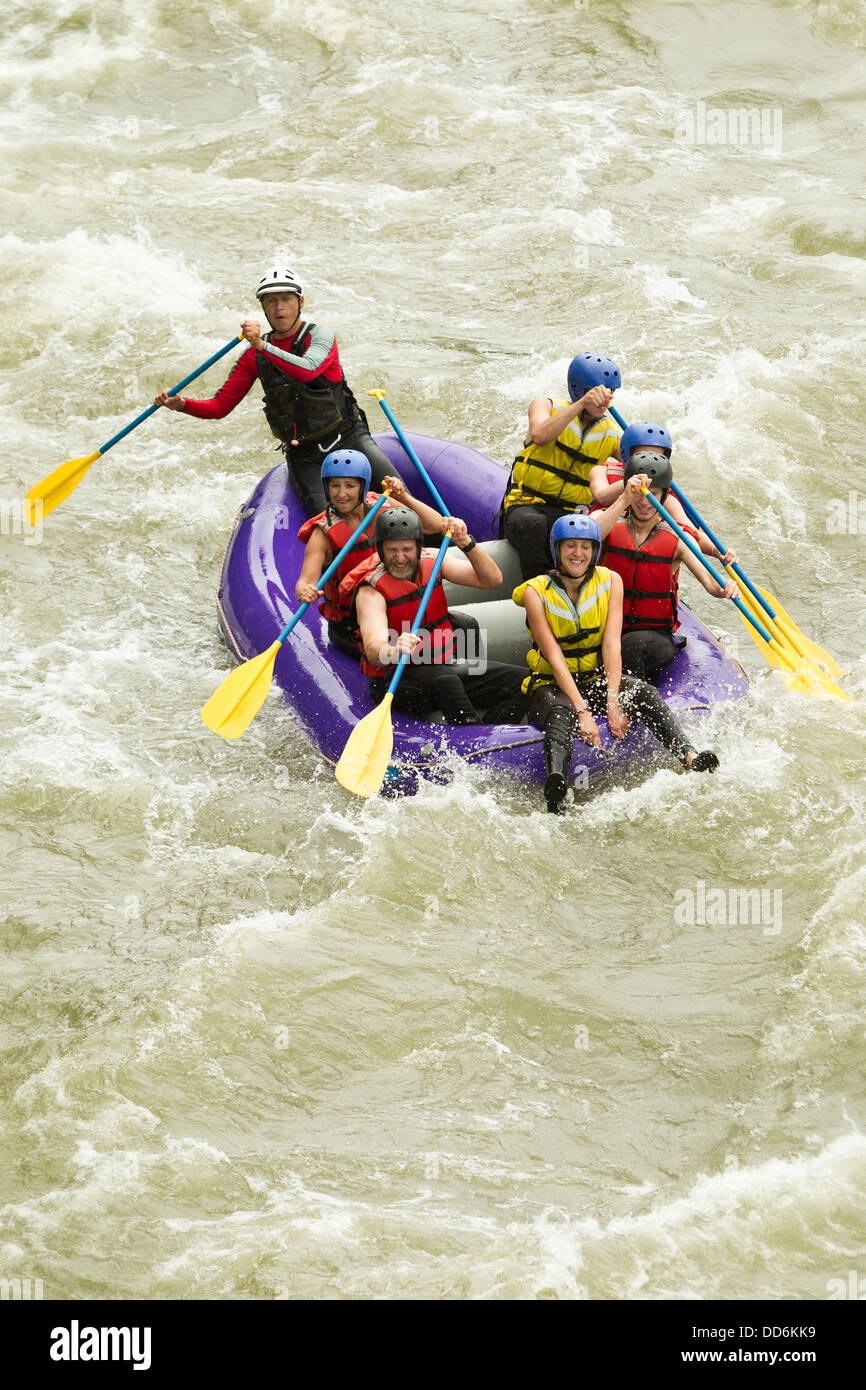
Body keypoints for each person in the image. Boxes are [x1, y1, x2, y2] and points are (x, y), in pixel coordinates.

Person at [512, 513, 722, 813]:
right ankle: (556, 789)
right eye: (570, 546)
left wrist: (613, 701)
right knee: (561, 713)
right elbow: (554, 656)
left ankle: (690, 757)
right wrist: (582, 711)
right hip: (551, 684)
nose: (578, 554)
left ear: (595, 550)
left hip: (593, 677)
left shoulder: (611, 581)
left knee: (642, 691)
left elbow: (611, 644)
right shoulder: (535, 593)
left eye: (585, 547)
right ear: (557, 549)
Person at [153, 266, 398, 515]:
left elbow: (308, 369)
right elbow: (219, 407)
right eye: (270, 301)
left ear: (300, 302)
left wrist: (261, 344)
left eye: (286, 299)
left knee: (401, 501)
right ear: (263, 307)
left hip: (348, 437)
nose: (279, 307)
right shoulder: (252, 357)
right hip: (305, 456)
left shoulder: (321, 336)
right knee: (326, 524)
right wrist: (181, 404)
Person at [339, 508, 528, 725]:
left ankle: (493, 734)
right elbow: (373, 649)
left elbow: (491, 580)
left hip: (443, 667)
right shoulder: (371, 592)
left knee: (524, 682)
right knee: (446, 681)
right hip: (396, 680)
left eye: (407, 549)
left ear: (418, 547)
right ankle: (472, 742)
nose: (400, 558)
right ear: (380, 550)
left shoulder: (435, 559)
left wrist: (466, 543)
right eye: (392, 550)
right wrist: (394, 648)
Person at [598, 436, 738, 682]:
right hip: (607, 628)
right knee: (618, 644)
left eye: (652, 494)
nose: (644, 501)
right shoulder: (607, 521)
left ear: (663, 496)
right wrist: (623, 498)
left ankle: (630, 704)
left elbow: (709, 582)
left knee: (632, 645)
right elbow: (590, 537)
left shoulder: (677, 538)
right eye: (638, 494)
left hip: (654, 636)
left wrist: (725, 587)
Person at [295, 450, 449, 659]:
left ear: (363, 486)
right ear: (326, 487)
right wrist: (306, 591)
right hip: (352, 624)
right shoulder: (321, 534)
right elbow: (305, 582)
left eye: (349, 485)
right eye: (335, 485)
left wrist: (402, 496)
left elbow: (435, 525)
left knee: (464, 625)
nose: (341, 494)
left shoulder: (381, 505)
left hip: (394, 607)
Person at [502, 351, 623, 582]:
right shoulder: (544, 405)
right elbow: (539, 435)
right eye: (600, 392)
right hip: (526, 506)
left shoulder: (611, 433)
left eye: (611, 393)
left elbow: (636, 462)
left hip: (572, 513)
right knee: (534, 525)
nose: (607, 399)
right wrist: (581, 405)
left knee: (580, 533)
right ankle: (542, 590)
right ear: (580, 389)